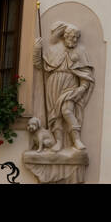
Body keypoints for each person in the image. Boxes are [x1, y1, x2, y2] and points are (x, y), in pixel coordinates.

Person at [34, 23, 94, 151]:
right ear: (65, 36)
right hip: (53, 85)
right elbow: (39, 66)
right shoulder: (53, 49)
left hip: (70, 85)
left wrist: (83, 87)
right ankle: (59, 142)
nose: (74, 40)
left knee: (67, 110)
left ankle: (76, 140)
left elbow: (86, 74)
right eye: (72, 37)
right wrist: (37, 50)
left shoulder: (80, 51)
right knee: (56, 116)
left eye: (76, 38)